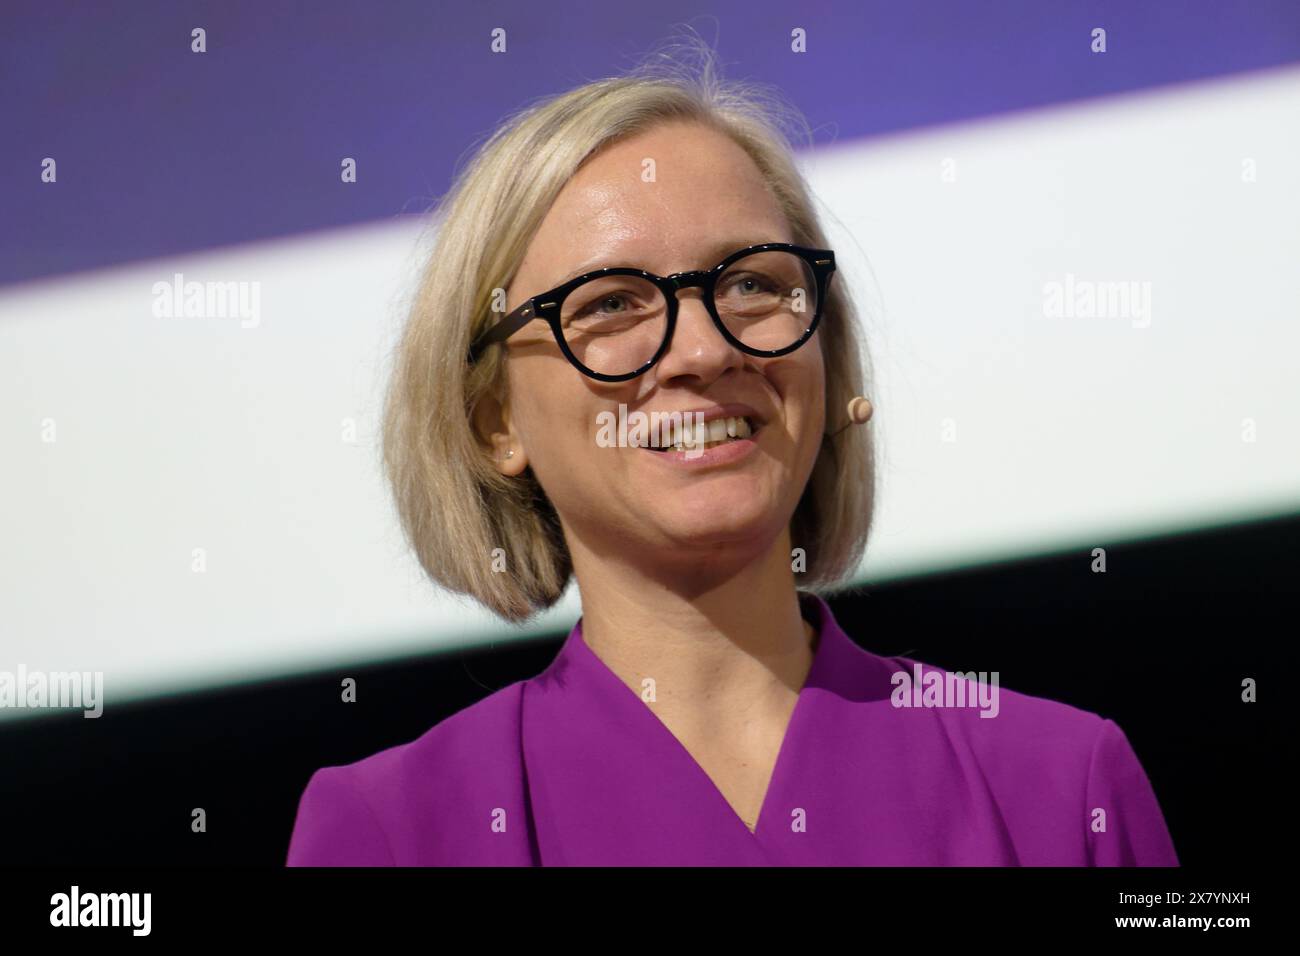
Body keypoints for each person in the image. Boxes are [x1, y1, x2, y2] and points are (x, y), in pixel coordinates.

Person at [286, 37, 1177, 866]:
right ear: (495, 423)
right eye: (610, 304)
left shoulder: (1060, 786)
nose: (706, 349)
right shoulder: (395, 832)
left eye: (752, 283)